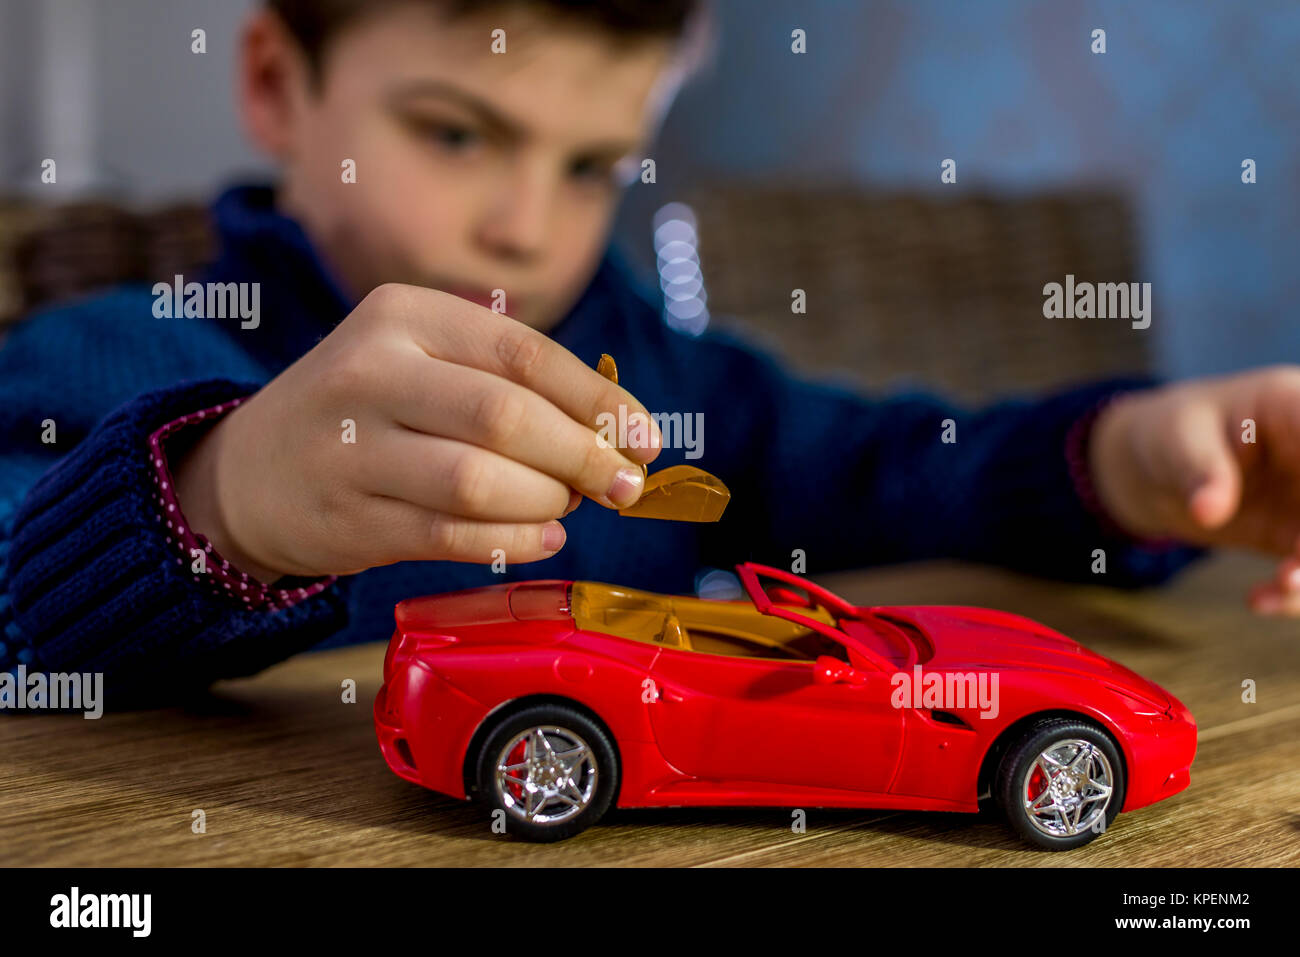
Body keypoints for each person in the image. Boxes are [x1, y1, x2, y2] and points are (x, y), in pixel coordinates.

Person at [3, 0, 1299, 706]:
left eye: (590, 167)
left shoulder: (673, 387)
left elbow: (901, 467)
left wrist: (1130, 461)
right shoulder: (103, 360)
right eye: (456, 134)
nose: (521, 227)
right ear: (282, 86)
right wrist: (220, 503)